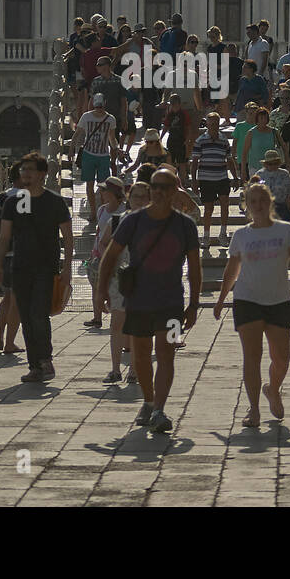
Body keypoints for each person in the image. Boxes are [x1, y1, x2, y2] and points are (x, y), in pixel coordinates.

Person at [98, 167, 201, 433]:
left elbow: (195, 267)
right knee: (141, 355)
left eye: (164, 187)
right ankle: (148, 399)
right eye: (155, 186)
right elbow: (110, 256)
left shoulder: (185, 225)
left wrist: (194, 304)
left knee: (166, 355)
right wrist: (101, 292)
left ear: (174, 191)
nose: (158, 191)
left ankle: (158, 409)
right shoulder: (133, 221)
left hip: (171, 303)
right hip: (138, 300)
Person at [214, 182, 290, 427]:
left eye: (262, 200)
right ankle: (254, 409)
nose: (258, 205)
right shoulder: (241, 235)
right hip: (247, 299)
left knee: (281, 357)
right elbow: (232, 269)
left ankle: (273, 388)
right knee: (252, 356)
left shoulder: (286, 231)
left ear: (270, 201)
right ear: (246, 206)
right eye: (253, 201)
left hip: (279, 300)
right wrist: (220, 299)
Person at [0, 152, 73, 384]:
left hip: (45, 267)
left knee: (39, 314)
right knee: (26, 317)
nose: (25, 174)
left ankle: (45, 360)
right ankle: (35, 365)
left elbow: (67, 237)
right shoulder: (13, 202)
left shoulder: (55, 201)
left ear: (42, 174)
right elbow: (4, 236)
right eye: (23, 170)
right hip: (20, 267)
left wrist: (67, 267)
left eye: (30, 170)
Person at [100, 180, 150, 384]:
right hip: (121, 279)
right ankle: (115, 369)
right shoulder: (118, 220)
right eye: (135, 196)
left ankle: (135, 371)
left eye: (143, 197)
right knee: (117, 324)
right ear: (129, 198)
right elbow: (104, 244)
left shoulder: (155, 221)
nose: (139, 201)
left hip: (146, 280)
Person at [0, 162, 24, 355]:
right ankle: (9, 342)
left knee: (7, 297)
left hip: (1, 255)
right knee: (16, 300)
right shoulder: (24, 197)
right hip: (19, 255)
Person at [191, 112, 239, 248]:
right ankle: (206, 236)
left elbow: (229, 160)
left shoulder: (223, 140)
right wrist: (194, 181)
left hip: (222, 177)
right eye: (211, 123)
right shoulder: (200, 140)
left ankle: (222, 234)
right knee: (208, 208)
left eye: (216, 123)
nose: (213, 126)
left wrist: (235, 177)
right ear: (207, 124)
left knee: (225, 205)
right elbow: (194, 163)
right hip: (206, 179)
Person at [72, 93, 119, 222]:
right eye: (97, 107)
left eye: (100, 107)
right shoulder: (87, 117)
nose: (99, 109)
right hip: (89, 154)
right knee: (90, 184)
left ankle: (102, 211)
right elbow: (77, 134)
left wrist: (116, 148)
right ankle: (94, 211)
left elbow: (112, 138)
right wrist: (71, 149)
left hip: (103, 155)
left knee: (103, 186)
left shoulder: (110, 119)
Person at [86, 178, 126, 328]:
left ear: (113, 192)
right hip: (99, 252)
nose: (101, 193)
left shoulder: (123, 211)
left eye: (104, 190)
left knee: (112, 286)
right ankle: (97, 317)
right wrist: (94, 252)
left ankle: (114, 313)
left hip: (116, 253)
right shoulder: (101, 209)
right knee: (95, 284)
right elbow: (98, 231)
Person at [242, 107, 285, 178]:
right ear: (257, 119)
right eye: (261, 118)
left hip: (272, 167)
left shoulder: (274, 131)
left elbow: (284, 147)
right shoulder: (251, 133)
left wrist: (286, 162)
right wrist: (243, 171)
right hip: (255, 167)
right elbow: (244, 153)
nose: (263, 120)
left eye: (265, 118)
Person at [161, 93, 194, 183]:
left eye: (175, 104)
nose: (173, 106)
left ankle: (182, 181)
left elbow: (188, 127)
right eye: (172, 104)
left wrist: (188, 139)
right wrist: (161, 137)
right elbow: (166, 126)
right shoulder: (170, 114)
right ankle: (172, 180)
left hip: (181, 140)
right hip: (171, 139)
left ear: (179, 104)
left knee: (182, 162)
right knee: (170, 161)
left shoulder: (184, 114)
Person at [254, 150, 290, 222]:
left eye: (275, 163)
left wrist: (289, 205)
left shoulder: (284, 173)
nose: (273, 166)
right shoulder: (260, 174)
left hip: (281, 206)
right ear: (265, 164)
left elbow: (289, 190)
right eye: (270, 164)